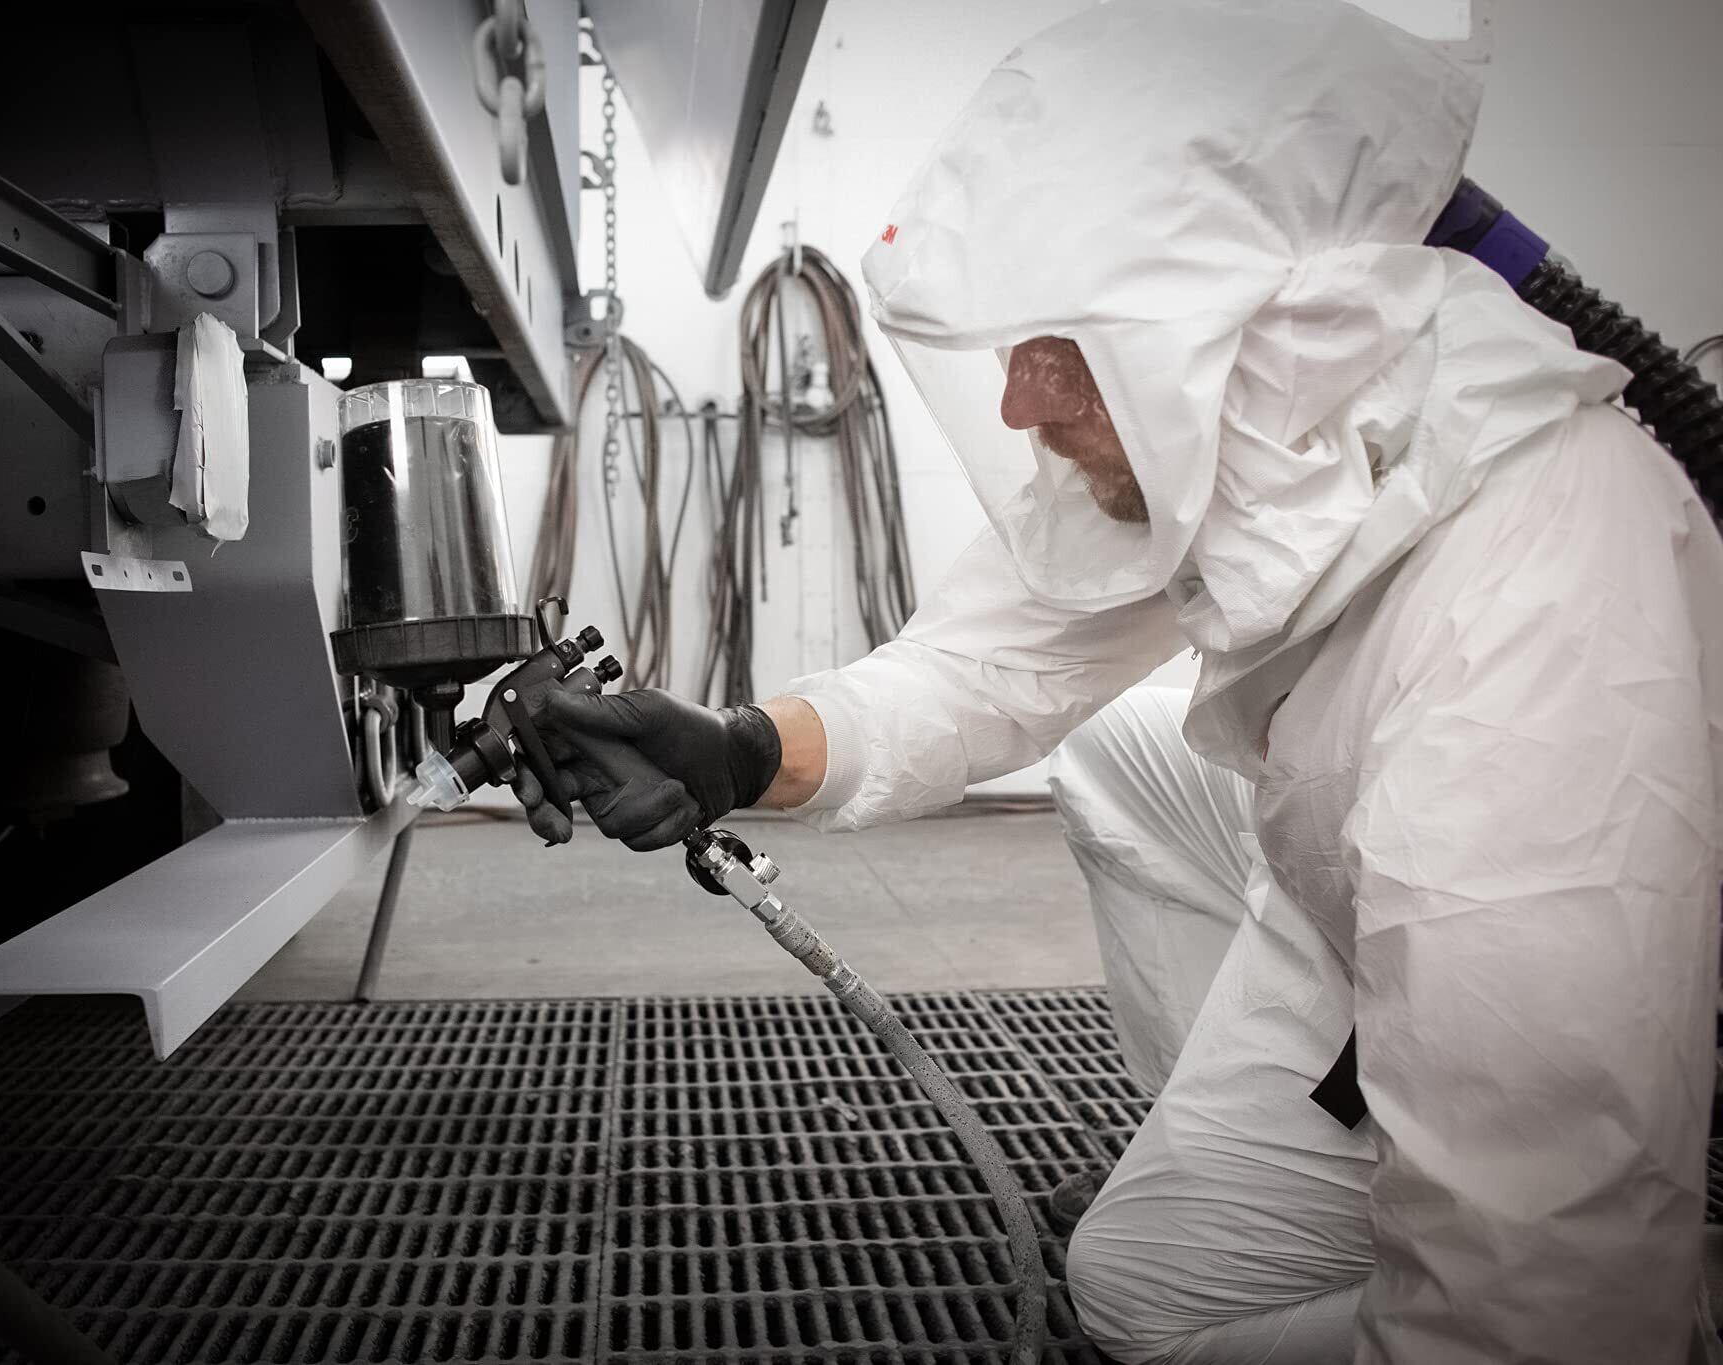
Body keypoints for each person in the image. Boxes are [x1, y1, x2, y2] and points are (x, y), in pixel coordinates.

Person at [512, 1, 1723, 1360]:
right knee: (1114, 794)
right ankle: (1286, 1147)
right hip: (1351, 885)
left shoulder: (1543, 598)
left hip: (1535, 942)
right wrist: (740, 748)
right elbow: (991, 663)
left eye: (1064, 347)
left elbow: (1534, 1316)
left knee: (1252, 1306)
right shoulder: (1268, 429)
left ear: (1252, 317)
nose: (1019, 405)